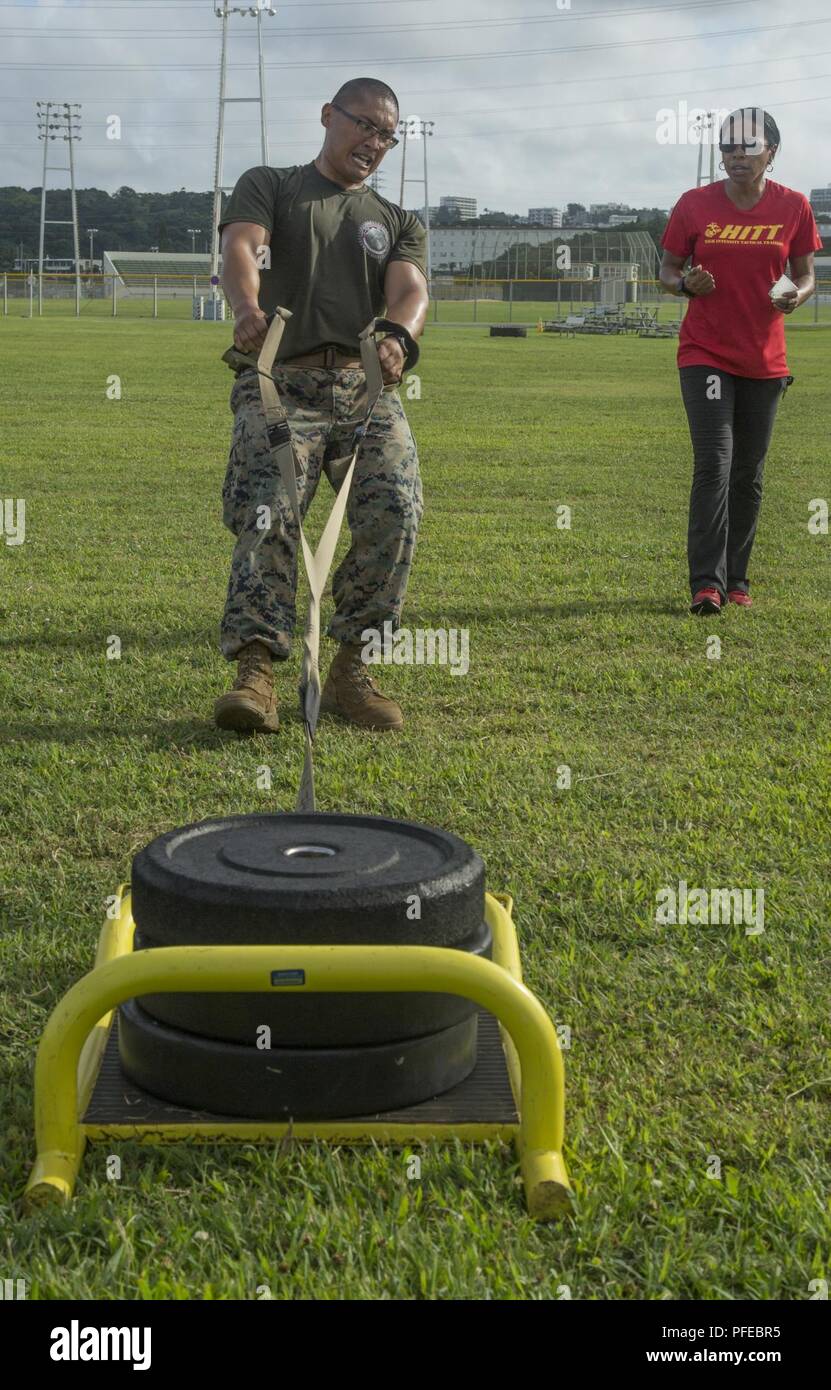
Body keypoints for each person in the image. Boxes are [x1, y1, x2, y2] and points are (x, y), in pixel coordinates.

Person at [214, 77, 429, 732]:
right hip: (282, 381)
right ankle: (256, 672)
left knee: (397, 508)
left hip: (362, 390)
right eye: (363, 125)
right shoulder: (271, 185)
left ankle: (350, 669)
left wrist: (396, 337)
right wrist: (247, 308)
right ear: (327, 115)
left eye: (386, 135)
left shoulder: (397, 221)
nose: (373, 143)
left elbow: (410, 290)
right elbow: (241, 247)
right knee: (268, 511)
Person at [659, 107, 821, 614]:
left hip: (765, 360)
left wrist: (796, 295)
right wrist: (684, 284)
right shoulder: (693, 204)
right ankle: (706, 583)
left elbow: (806, 274)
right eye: (727, 146)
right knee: (715, 464)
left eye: (747, 146)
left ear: (771, 152)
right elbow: (667, 268)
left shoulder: (794, 206)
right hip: (705, 353)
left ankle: (739, 577)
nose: (735, 155)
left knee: (748, 473)